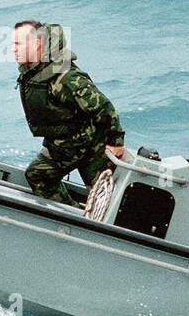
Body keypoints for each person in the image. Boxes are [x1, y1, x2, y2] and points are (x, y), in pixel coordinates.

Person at [13, 21, 125, 206]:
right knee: (39, 176)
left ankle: (81, 222)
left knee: (102, 197)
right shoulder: (36, 72)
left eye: (18, 44)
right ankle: (73, 212)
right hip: (64, 144)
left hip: (87, 144)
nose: (13, 49)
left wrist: (116, 141)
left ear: (36, 44)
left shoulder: (66, 78)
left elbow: (103, 106)